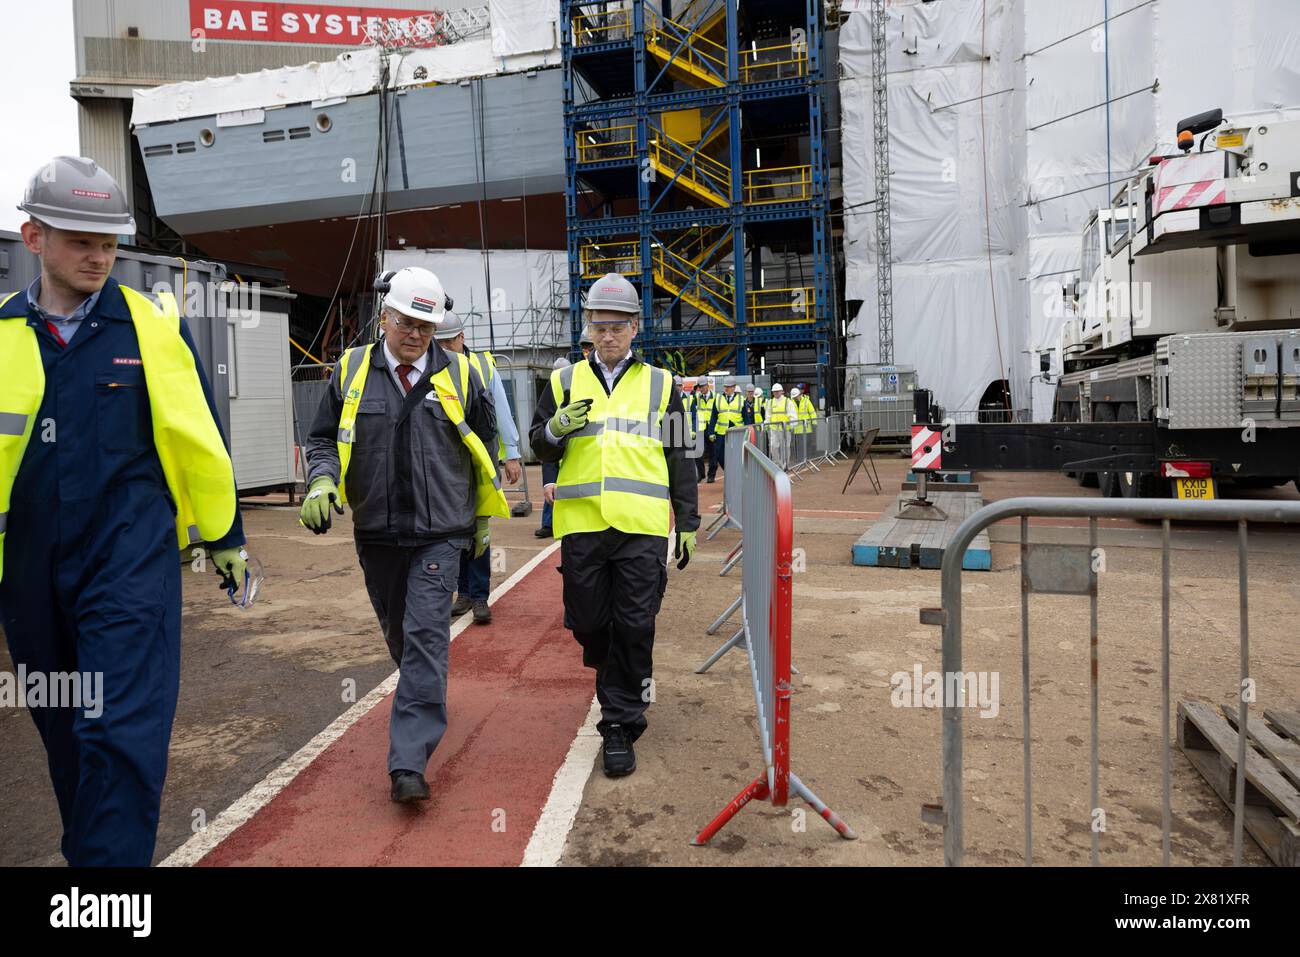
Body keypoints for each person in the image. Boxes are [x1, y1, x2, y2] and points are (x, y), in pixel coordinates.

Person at [1, 156, 248, 865]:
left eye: (108, 241)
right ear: (34, 237)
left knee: (118, 733)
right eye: (80, 239)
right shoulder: (1, 336)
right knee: (67, 736)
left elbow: (201, 436)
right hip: (28, 573)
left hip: (129, 563)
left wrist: (225, 533)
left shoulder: (153, 330)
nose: (98, 255)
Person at [301, 266, 506, 803]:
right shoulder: (349, 371)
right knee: (401, 634)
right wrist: (320, 482)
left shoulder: (462, 376)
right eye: (406, 321)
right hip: (377, 533)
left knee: (426, 636)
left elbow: (483, 449)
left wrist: (481, 520)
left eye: (426, 325)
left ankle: (408, 763)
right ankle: (424, 686)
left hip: (443, 533)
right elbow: (322, 439)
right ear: (383, 316)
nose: (414, 333)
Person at [529, 273, 699, 778]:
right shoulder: (562, 383)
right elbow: (539, 442)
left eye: (618, 326)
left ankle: (620, 723)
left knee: (634, 623)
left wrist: (687, 520)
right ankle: (613, 676)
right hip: (583, 525)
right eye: (600, 326)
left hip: (641, 527)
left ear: (634, 328)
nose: (608, 335)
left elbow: (680, 455)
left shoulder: (661, 385)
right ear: (588, 327)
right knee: (588, 624)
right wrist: (556, 429)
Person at [433, 311, 522, 625]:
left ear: (462, 338)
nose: (443, 349)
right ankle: (464, 593)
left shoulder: (483, 366)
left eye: (448, 342)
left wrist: (511, 454)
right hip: (448, 466)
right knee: (456, 530)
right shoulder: (433, 368)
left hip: (482, 463)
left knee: (480, 532)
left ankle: (481, 595)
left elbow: (502, 410)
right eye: (438, 343)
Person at [536, 356, 570, 539]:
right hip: (553, 447)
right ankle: (548, 524)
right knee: (550, 486)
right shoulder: (551, 389)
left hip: (569, 452)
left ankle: (556, 523)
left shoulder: (576, 385)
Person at [707, 375, 744, 482]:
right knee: (718, 455)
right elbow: (713, 416)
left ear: (734, 387)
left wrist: (748, 431)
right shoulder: (718, 399)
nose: (726, 389)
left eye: (728, 387)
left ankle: (736, 475)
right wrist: (711, 432)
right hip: (721, 433)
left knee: (736, 456)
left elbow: (746, 417)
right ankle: (729, 471)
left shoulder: (741, 400)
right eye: (725, 387)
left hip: (737, 433)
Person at [693, 375, 715, 482]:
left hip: (712, 429)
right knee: (698, 452)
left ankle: (711, 475)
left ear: (708, 385)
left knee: (713, 453)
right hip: (701, 428)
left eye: (702, 386)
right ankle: (701, 474)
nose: (701, 388)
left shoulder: (715, 397)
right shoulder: (697, 398)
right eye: (699, 387)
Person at [767, 382, 792, 469]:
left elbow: (792, 416)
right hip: (774, 429)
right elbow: (768, 415)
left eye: (778, 391)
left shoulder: (787, 401)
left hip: (785, 429)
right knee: (773, 447)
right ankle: (778, 464)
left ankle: (786, 464)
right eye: (774, 391)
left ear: (782, 391)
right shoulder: (770, 402)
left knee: (786, 447)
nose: (776, 393)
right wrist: (766, 425)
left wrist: (790, 426)